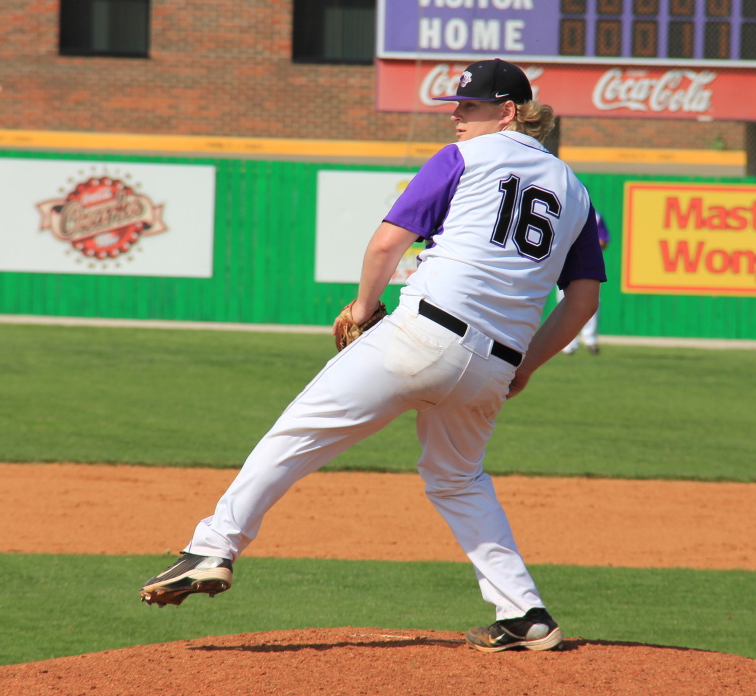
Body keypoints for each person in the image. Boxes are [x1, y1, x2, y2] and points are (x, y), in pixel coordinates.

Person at [139, 58, 607, 653]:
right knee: (459, 480)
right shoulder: (576, 190)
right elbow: (582, 301)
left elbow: (389, 241)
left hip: (423, 335)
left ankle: (211, 549)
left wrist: (363, 310)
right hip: (494, 365)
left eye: (469, 105)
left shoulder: (464, 159)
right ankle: (524, 615)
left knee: (298, 433)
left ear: (508, 112)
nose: (457, 116)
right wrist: (526, 367)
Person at [559, 210, 610, 355]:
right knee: (564, 304)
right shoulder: (562, 212)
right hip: (565, 264)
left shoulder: (595, 216)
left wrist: (586, 242)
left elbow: (603, 241)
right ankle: (568, 343)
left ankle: (590, 340)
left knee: (591, 302)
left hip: (587, 265)